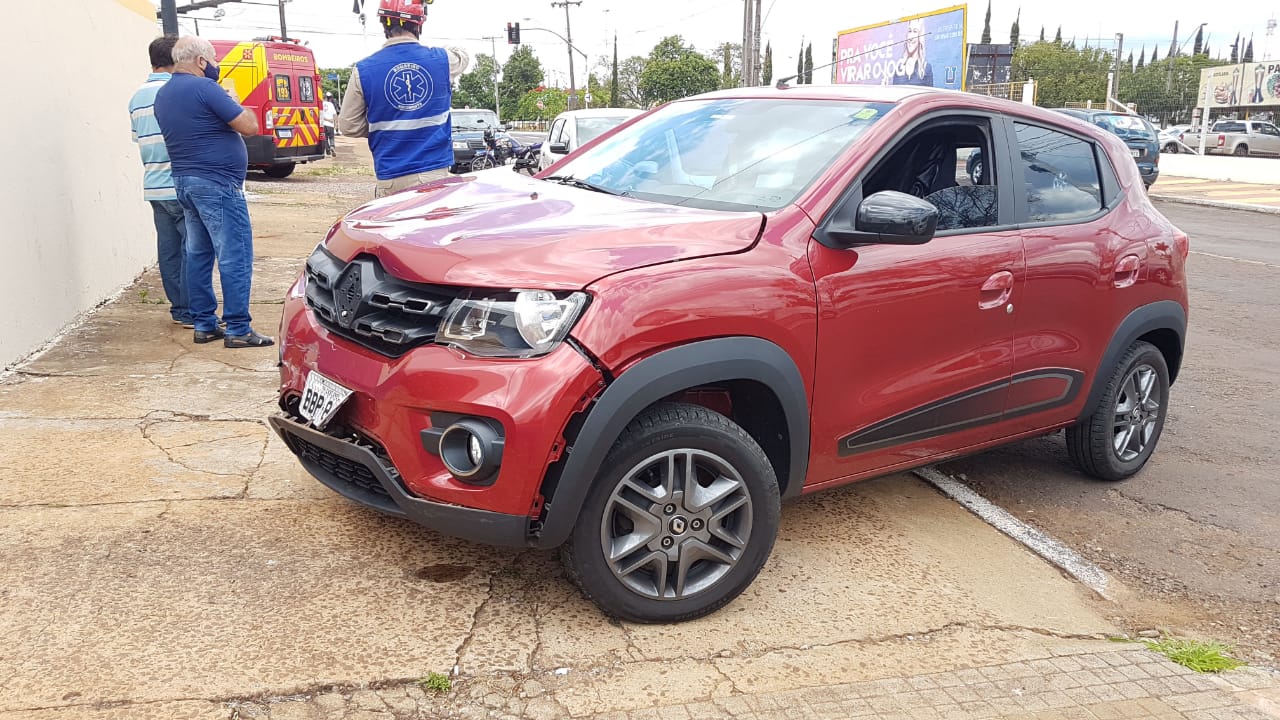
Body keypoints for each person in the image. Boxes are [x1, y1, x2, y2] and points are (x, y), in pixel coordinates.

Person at [154, 36, 274, 348]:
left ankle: (204, 324)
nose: (217, 66)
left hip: (184, 182)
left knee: (197, 254)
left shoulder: (164, 93)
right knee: (235, 254)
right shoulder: (206, 88)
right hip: (217, 185)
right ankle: (237, 328)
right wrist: (232, 97)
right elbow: (250, 125)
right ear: (201, 62)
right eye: (215, 61)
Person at [338, 0, 470, 197]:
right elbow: (463, 56)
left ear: (383, 23)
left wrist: (383, 126)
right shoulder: (441, 60)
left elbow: (348, 125)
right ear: (419, 25)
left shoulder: (363, 70)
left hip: (390, 178)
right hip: (433, 176)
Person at [129, 36, 191, 329]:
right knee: (194, 249)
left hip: (153, 184)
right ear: (177, 58)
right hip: (179, 183)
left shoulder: (136, 97)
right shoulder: (174, 91)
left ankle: (179, 309)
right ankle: (193, 310)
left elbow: (137, 140)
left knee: (168, 250)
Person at [891, 19, 934, 87]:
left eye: (915, 31)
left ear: (920, 37)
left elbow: (929, 95)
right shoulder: (899, 67)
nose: (911, 37)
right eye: (909, 31)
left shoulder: (926, 68)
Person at [321, 92, 338, 157]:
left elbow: (320, 115)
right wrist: (336, 124)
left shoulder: (321, 104)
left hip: (323, 124)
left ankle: (328, 151)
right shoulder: (331, 104)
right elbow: (335, 115)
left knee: (325, 138)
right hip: (330, 124)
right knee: (331, 137)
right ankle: (332, 147)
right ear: (330, 98)